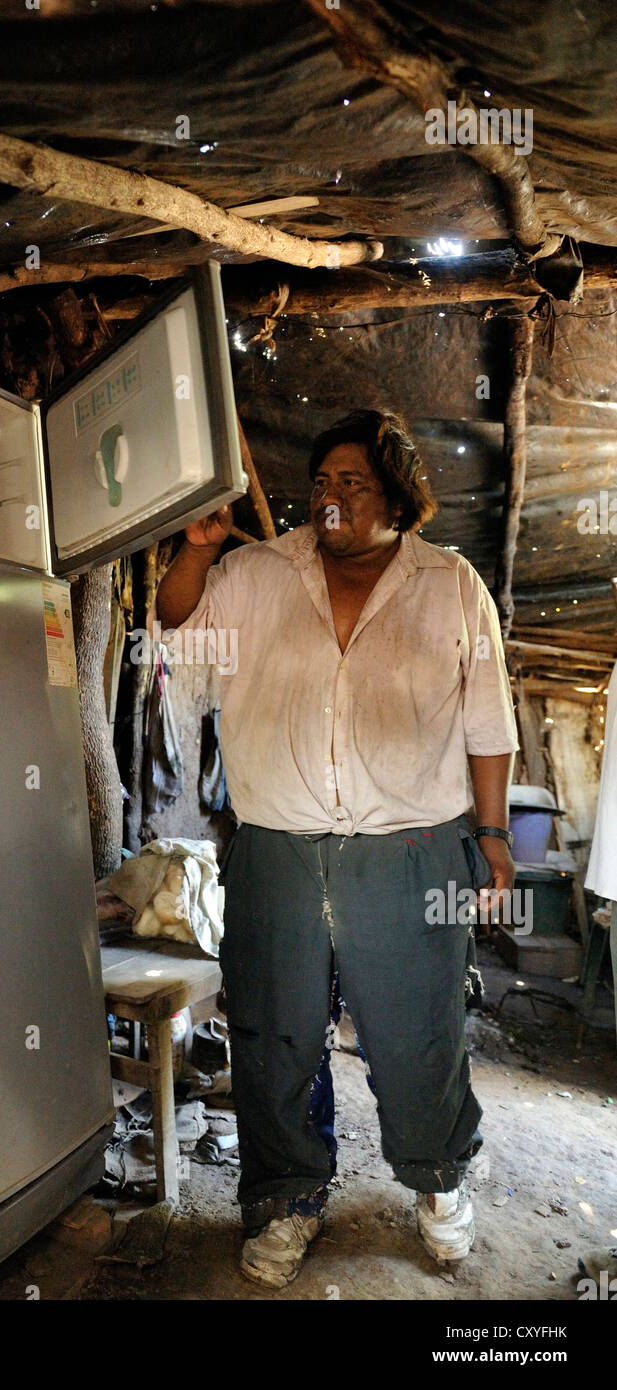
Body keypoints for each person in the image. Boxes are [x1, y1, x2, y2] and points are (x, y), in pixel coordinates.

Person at [155, 408, 519, 1289]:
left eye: (351, 481)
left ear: (398, 493)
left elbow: (485, 720)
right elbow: (178, 643)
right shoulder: (252, 572)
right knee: (275, 1033)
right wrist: (198, 552)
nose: (329, 497)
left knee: (416, 1030)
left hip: (411, 849)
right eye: (320, 482)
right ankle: (287, 1197)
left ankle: (437, 1183)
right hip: (277, 849)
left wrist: (494, 834)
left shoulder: (449, 584)